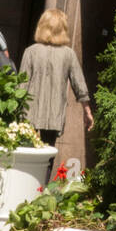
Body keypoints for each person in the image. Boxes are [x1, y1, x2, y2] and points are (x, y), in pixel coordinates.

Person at [18, 9, 93, 150]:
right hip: (54, 113)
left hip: (30, 113)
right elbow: (79, 84)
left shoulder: (31, 51)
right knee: (48, 156)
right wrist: (87, 111)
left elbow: (22, 85)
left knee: (27, 154)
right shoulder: (68, 54)